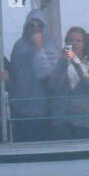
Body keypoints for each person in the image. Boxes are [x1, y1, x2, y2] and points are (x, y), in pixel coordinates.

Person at [8, 11, 54, 142]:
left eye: (39, 25)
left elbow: (45, 73)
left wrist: (39, 47)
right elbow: (13, 73)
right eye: (32, 25)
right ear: (26, 26)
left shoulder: (50, 44)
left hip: (42, 109)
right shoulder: (19, 45)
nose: (35, 28)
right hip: (20, 107)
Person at [48, 26, 89, 139]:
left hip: (84, 121)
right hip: (62, 121)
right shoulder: (60, 63)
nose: (74, 43)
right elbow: (53, 86)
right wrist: (63, 63)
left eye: (78, 41)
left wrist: (78, 64)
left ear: (84, 44)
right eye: (70, 40)